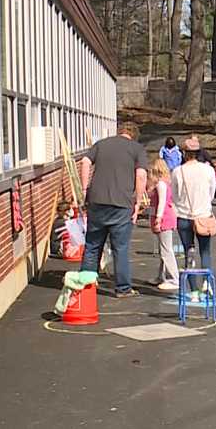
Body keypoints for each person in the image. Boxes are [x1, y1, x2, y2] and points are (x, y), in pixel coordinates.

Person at [78, 122, 149, 298]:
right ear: (133, 135)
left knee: (93, 245)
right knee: (120, 247)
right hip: (122, 203)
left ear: (119, 132)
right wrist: (138, 202)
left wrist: (84, 188)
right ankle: (123, 288)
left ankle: (85, 285)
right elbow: (141, 175)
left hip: (97, 200)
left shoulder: (101, 144)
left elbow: (85, 161)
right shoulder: (136, 149)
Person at [172, 137, 216, 301]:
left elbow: (175, 196)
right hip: (203, 215)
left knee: (188, 251)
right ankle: (207, 282)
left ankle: (194, 291)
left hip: (184, 216)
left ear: (184, 153)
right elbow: (212, 192)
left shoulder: (178, 171)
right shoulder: (208, 170)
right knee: (205, 251)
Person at [148, 158, 180, 292]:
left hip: (164, 218)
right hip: (166, 216)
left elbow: (161, 203)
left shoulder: (161, 184)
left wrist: (158, 219)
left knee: (166, 250)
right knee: (164, 249)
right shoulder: (165, 183)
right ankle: (161, 276)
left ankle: (174, 278)